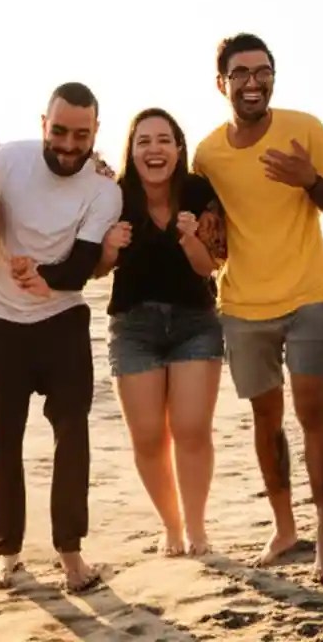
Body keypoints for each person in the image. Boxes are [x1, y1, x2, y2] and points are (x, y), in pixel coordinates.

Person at [192, 33, 323, 588]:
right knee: (266, 419)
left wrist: (308, 179)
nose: (253, 81)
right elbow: (207, 225)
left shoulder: (304, 128)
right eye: (240, 73)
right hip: (241, 303)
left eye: (263, 71)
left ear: (273, 78)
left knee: (312, 406)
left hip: (308, 292)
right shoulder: (207, 154)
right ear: (222, 83)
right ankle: (284, 528)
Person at [0, 82, 122, 592]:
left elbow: (83, 261)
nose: (67, 144)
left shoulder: (105, 191)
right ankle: (7, 555)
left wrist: (47, 279)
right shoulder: (7, 162)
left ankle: (71, 553)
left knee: (72, 435)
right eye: (58, 130)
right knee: (4, 441)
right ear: (43, 123)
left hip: (62, 321)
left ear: (96, 133)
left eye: (80, 135)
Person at [94, 108, 223, 557]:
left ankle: (197, 528)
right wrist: (109, 248)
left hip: (195, 321)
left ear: (179, 148)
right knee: (149, 436)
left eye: (164, 140)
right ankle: (171, 526)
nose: (154, 149)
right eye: (144, 141)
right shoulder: (114, 196)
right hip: (133, 326)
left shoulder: (198, 191)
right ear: (131, 150)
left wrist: (190, 239)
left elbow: (212, 265)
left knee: (191, 429)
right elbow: (95, 269)